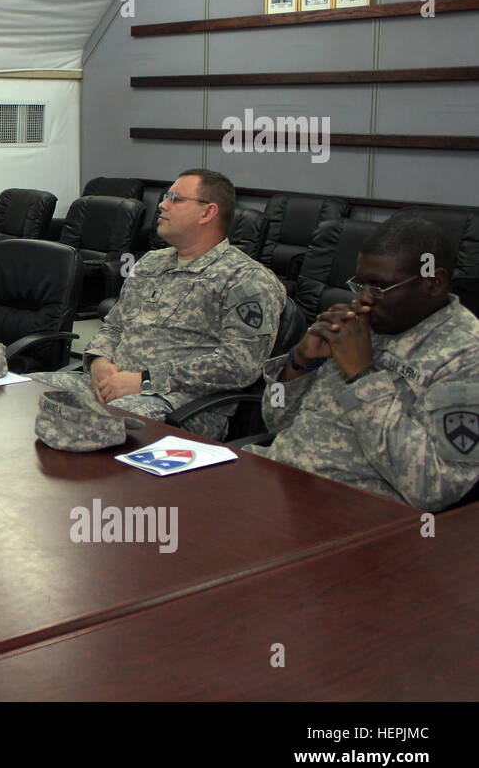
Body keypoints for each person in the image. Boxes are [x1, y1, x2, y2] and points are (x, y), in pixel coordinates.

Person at [248, 215, 479, 511]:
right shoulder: (357, 324)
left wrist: (361, 376)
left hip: (349, 510)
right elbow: (276, 421)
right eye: (362, 284)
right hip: (278, 476)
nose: (365, 299)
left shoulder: (464, 355)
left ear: (433, 282)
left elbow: (435, 488)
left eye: (380, 287)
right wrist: (298, 364)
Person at [35, 169, 284, 439]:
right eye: (166, 197)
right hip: (109, 385)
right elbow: (114, 325)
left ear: (207, 213)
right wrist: (99, 362)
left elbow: (239, 365)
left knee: (93, 427)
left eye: (175, 198)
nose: (162, 205)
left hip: (177, 403)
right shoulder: (151, 263)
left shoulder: (247, 279)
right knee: (22, 392)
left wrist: (145, 380)